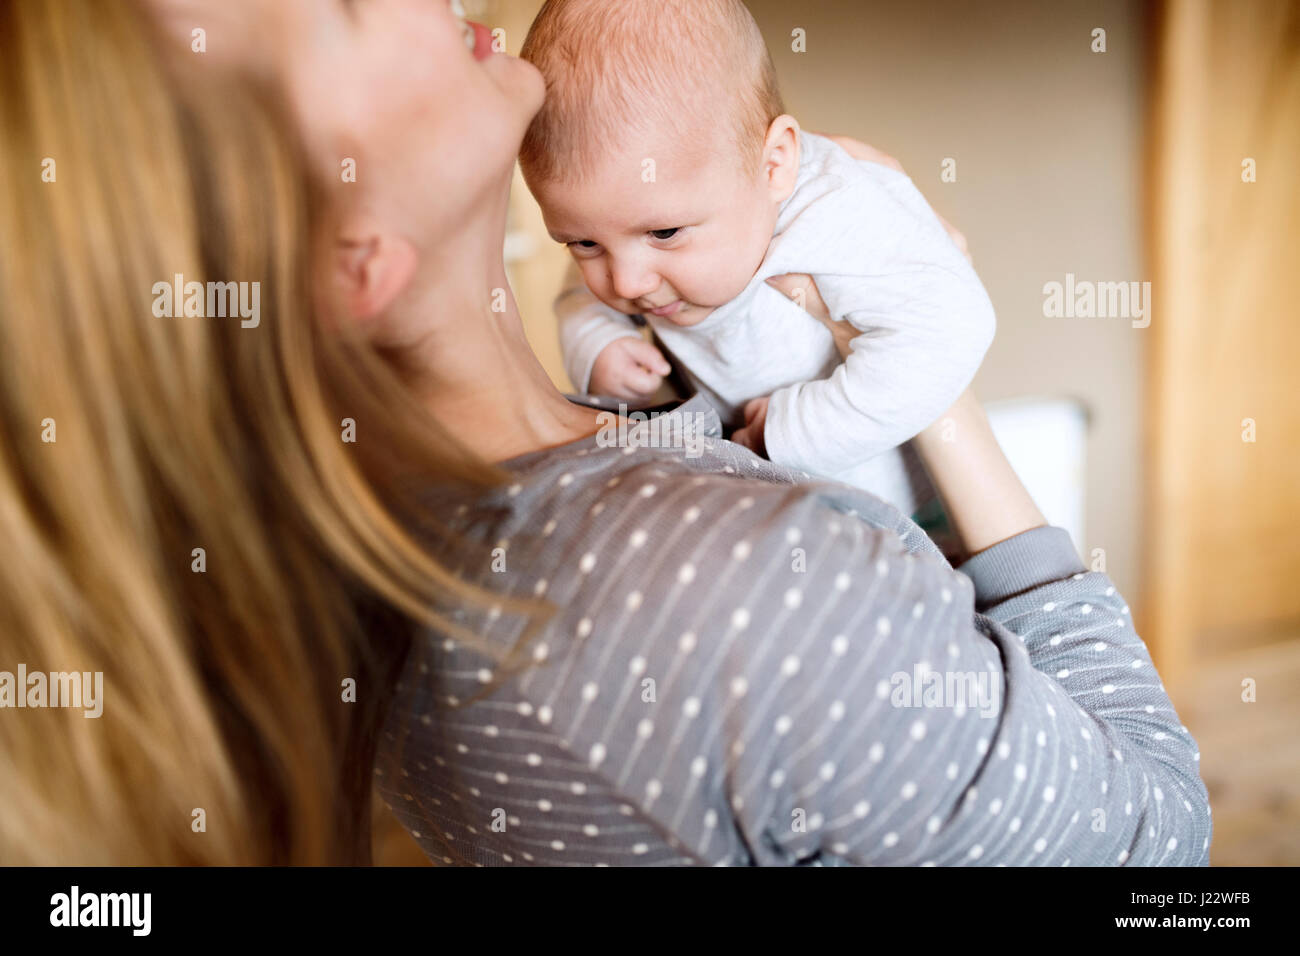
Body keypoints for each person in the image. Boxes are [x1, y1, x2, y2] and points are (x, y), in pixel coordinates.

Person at [30, 0, 1208, 864]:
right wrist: (937, 388)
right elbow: (1158, 845)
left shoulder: (388, 530)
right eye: (341, 9)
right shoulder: (734, 589)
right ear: (357, 261)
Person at [521, 0, 996, 520]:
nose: (626, 281)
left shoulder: (836, 209)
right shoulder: (628, 223)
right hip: (763, 519)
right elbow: (580, 294)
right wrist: (596, 342)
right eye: (582, 244)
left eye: (663, 232)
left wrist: (790, 432)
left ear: (774, 166)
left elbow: (953, 328)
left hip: (892, 517)